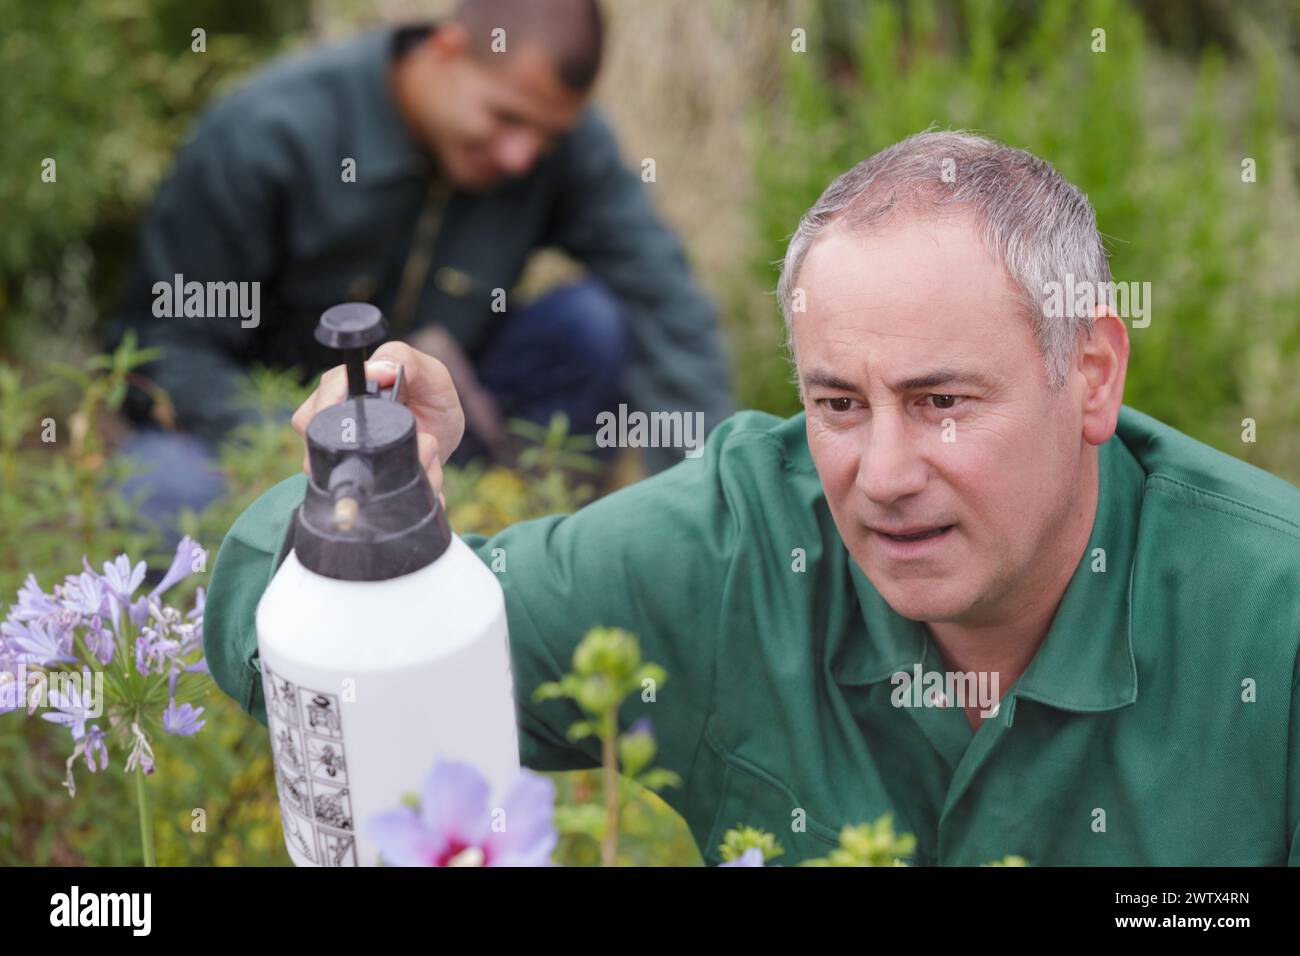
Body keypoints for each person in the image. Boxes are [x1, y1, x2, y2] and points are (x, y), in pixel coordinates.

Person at [203, 131, 1300, 865]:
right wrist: (376, 527)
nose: (881, 474)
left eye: (943, 400)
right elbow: (262, 611)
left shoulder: (1271, 618)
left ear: (1092, 376)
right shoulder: (731, 546)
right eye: (836, 402)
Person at [107, 0, 734, 540]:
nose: (523, 156)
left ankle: (528, 552)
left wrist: (712, 508)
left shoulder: (556, 139)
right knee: (160, 487)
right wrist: (317, 445)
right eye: (506, 119)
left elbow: (663, 298)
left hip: (452, 416)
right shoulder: (267, 134)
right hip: (276, 438)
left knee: (593, 324)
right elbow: (165, 346)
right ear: (446, 49)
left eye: (545, 136)